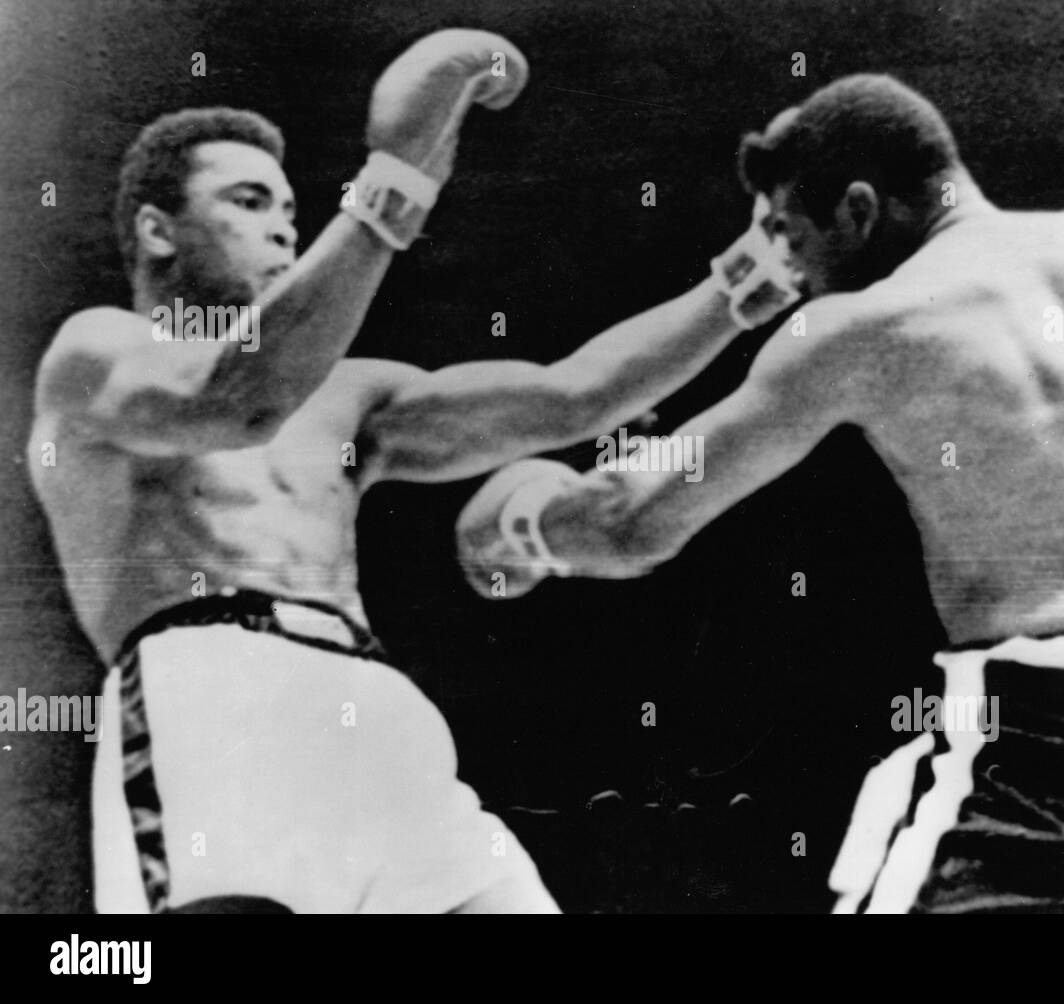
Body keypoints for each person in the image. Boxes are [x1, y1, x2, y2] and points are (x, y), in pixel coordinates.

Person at [457, 73, 1064, 913]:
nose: (795, 276)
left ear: (859, 211)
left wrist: (521, 519)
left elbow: (632, 523)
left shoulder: (870, 326)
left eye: (792, 238)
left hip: (1046, 748)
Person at [27, 28, 801, 913]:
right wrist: (392, 187)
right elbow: (241, 400)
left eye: (290, 206)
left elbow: (572, 397)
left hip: (377, 708)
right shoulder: (96, 355)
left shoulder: (351, 396)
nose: (285, 225)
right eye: (248, 201)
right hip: (215, 701)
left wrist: (751, 279)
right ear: (158, 231)